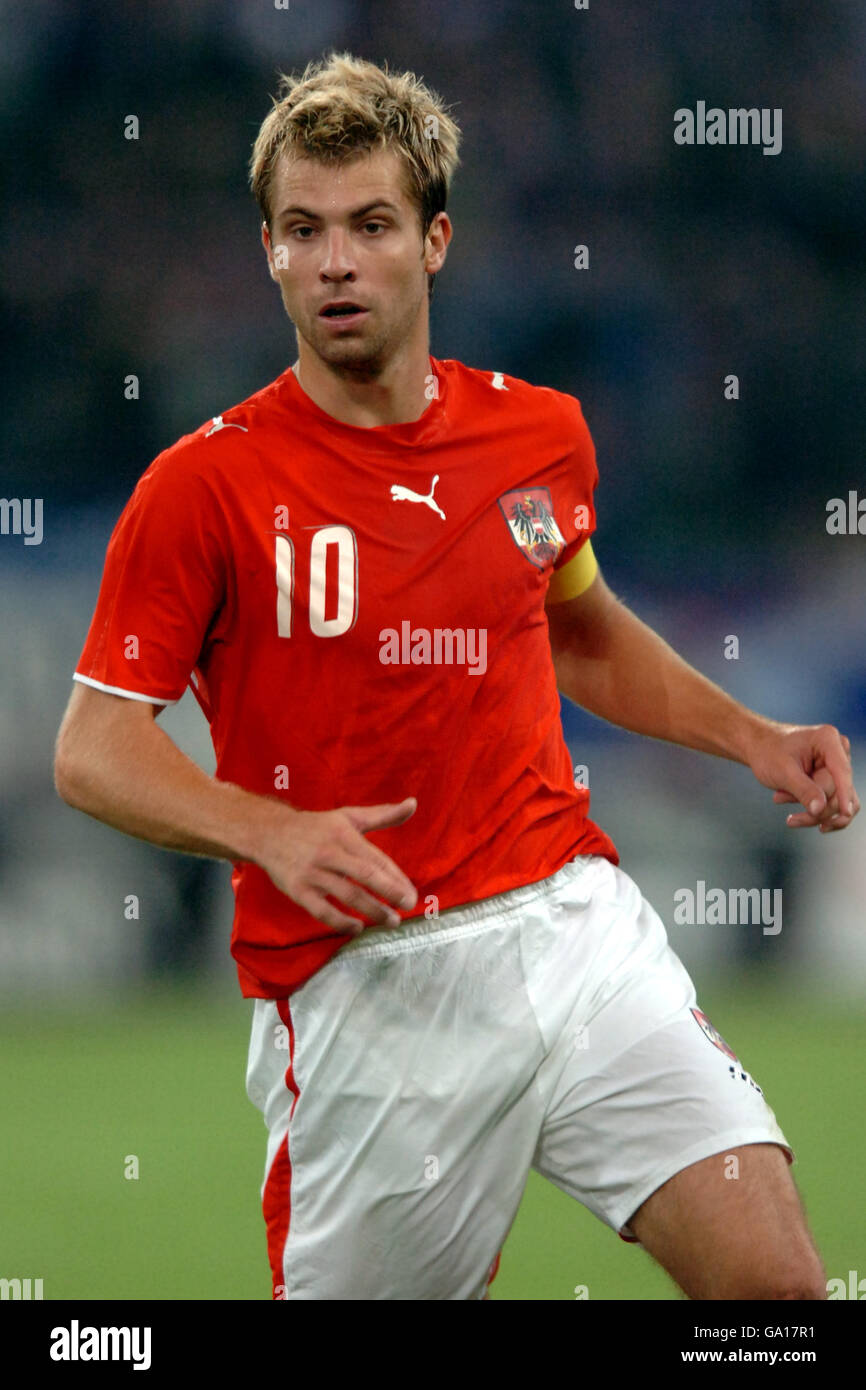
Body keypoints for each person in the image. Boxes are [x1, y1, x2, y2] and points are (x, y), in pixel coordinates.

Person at [54, 52, 858, 1302]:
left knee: (780, 1298)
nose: (335, 262)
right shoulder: (201, 489)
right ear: (267, 252)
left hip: (572, 927)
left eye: (370, 225)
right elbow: (93, 747)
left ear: (434, 241)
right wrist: (267, 830)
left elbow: (576, 630)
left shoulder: (537, 436)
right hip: (369, 988)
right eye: (302, 231)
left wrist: (749, 737)